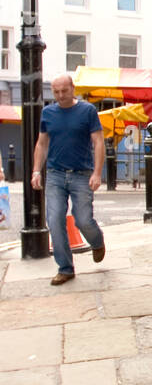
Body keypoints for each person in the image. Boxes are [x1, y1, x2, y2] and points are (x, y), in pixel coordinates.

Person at [31, 74, 106, 285]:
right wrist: (36, 170)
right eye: (56, 92)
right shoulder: (48, 113)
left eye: (64, 91)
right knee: (54, 220)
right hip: (55, 174)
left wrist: (97, 173)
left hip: (82, 173)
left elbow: (98, 142)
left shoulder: (87, 111)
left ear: (73, 89)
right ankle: (65, 268)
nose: (60, 95)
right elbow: (42, 143)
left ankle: (97, 241)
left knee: (82, 219)